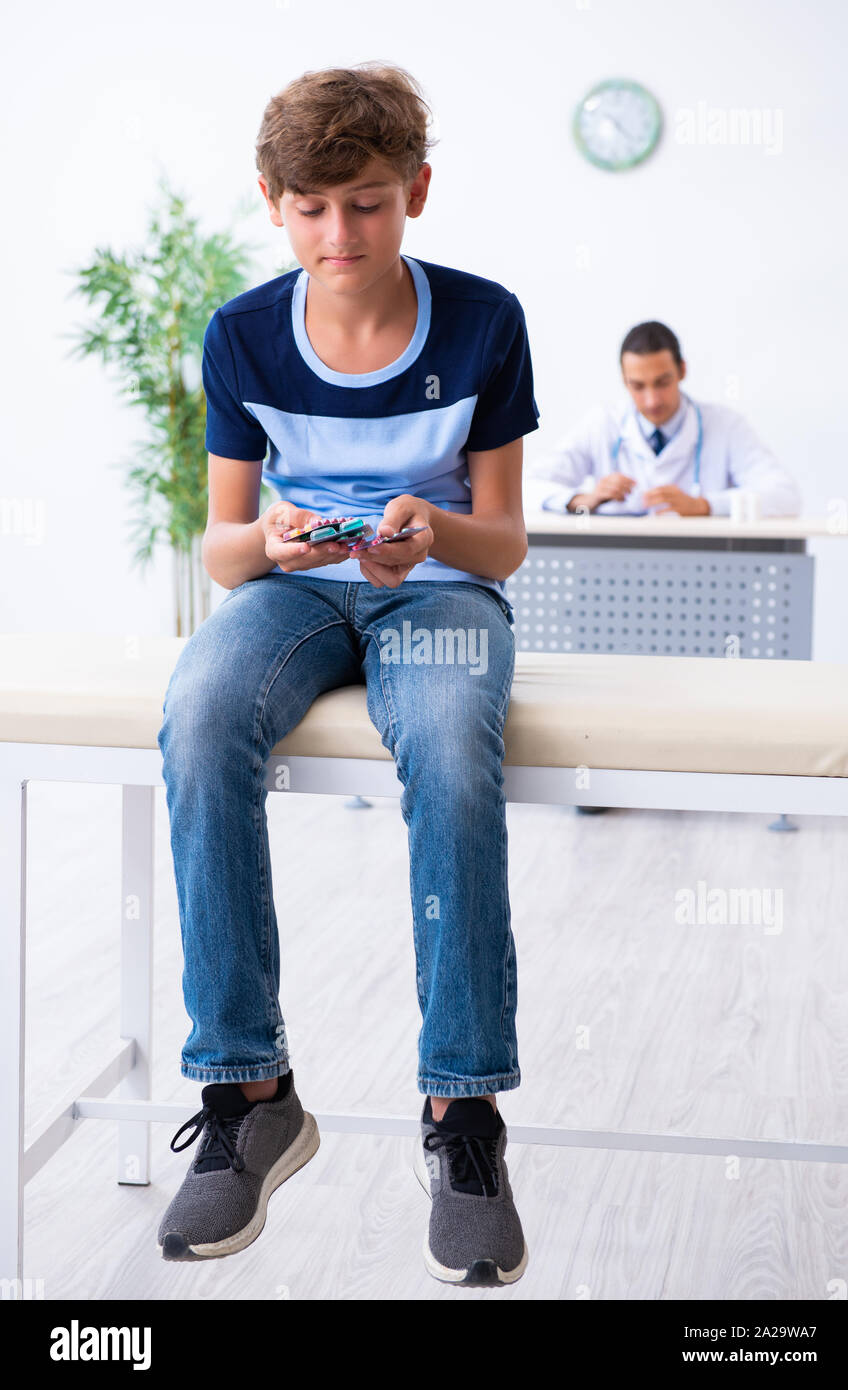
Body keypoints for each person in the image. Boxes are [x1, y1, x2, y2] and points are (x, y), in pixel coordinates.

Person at [155, 62, 539, 1288]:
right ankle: (248, 1087)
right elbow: (222, 544)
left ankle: (461, 1114)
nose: (341, 232)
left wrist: (434, 536)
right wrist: (265, 542)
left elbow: (506, 539)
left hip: (435, 588)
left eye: (367, 202)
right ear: (273, 202)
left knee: (452, 759)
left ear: (415, 191)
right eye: (314, 206)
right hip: (297, 584)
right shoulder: (242, 335)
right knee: (204, 713)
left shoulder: (484, 320)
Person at [523, 320, 800, 518]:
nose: (652, 400)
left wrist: (704, 506)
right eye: (638, 386)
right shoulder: (603, 424)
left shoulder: (726, 426)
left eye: (662, 382)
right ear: (624, 380)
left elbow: (785, 497)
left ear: (682, 370)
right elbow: (527, 489)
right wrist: (581, 499)